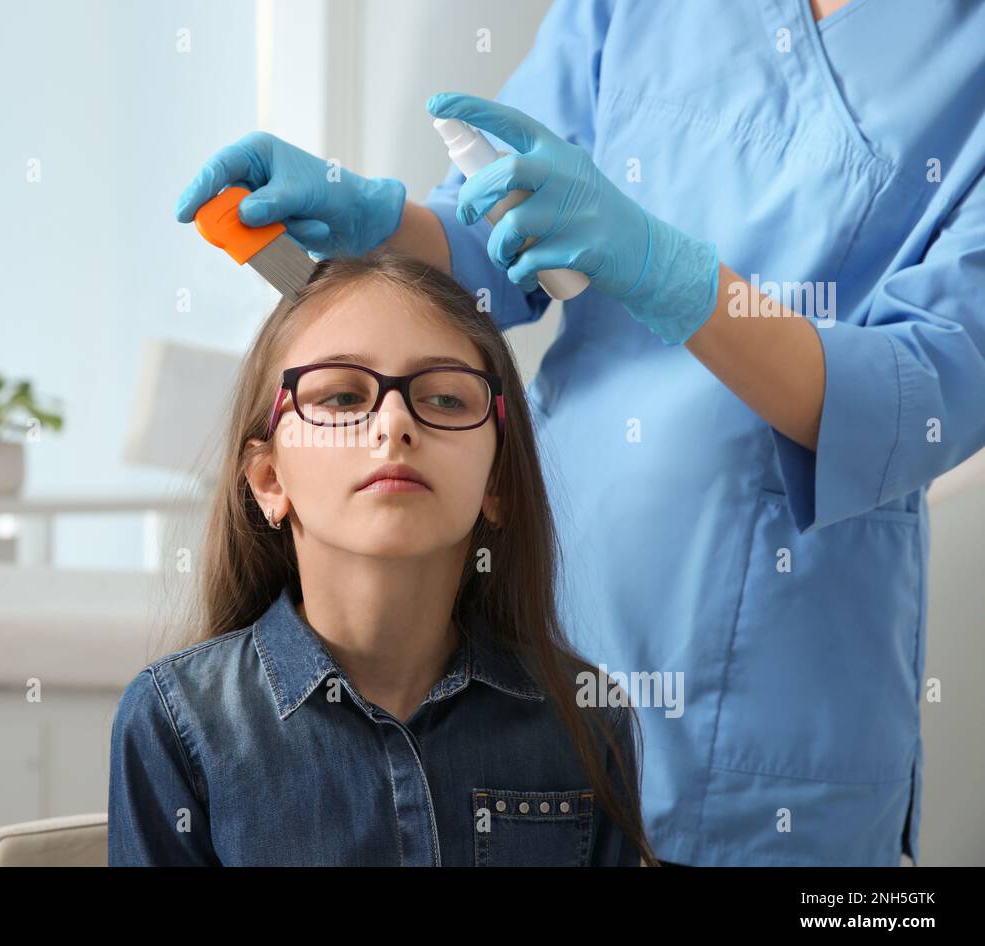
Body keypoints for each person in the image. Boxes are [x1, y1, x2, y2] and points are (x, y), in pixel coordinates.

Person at [173, 0, 985, 865]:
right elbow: (504, 239)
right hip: (555, 618)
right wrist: (384, 224)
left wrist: (673, 273)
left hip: (772, 698)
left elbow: (920, 394)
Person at [109, 252, 651, 866]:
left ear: (497, 481)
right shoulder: (175, 723)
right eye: (342, 396)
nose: (393, 425)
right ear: (268, 480)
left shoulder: (587, 718)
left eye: (445, 399)